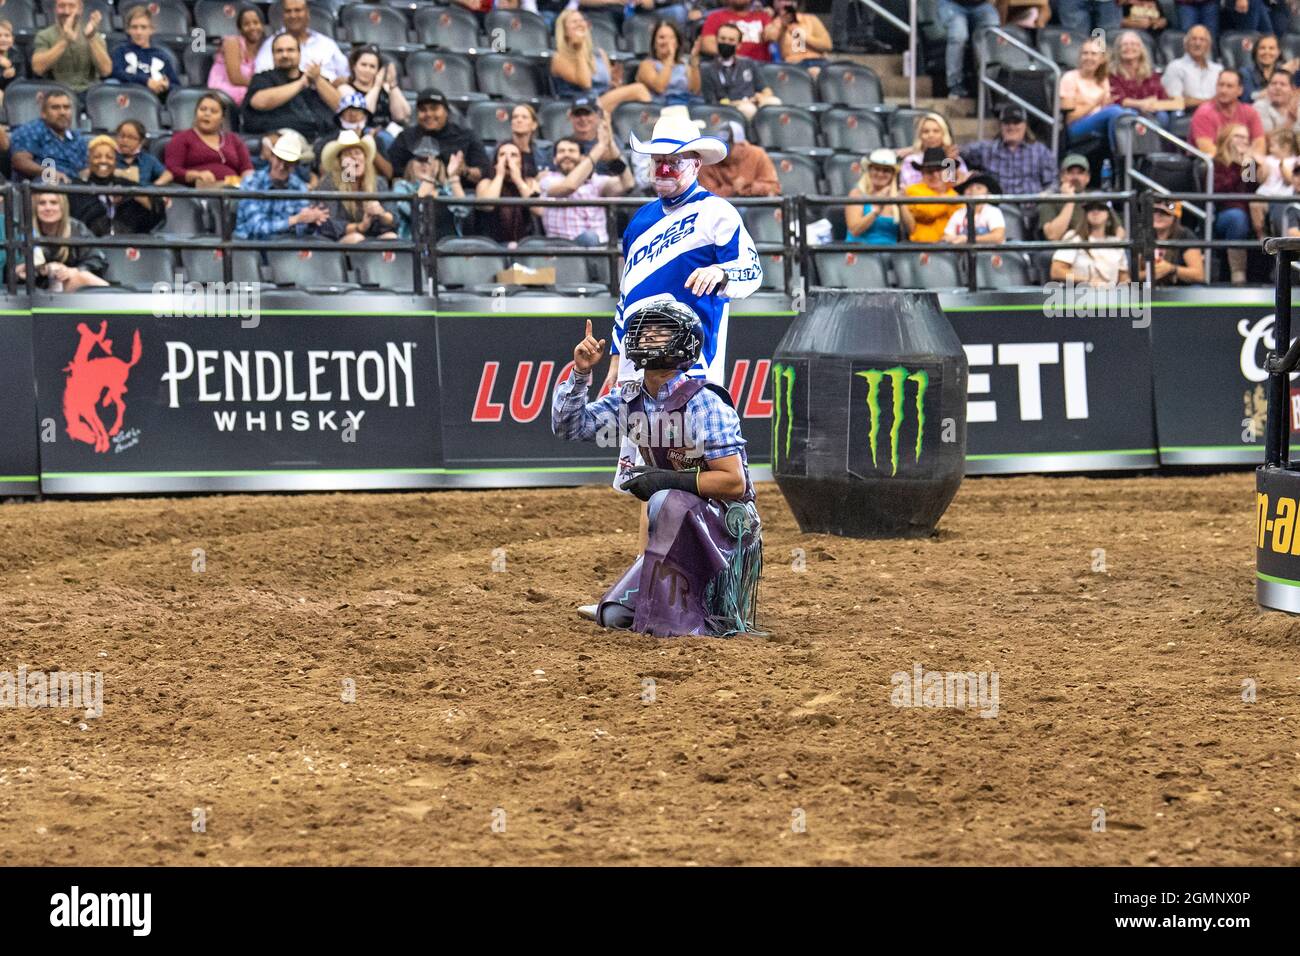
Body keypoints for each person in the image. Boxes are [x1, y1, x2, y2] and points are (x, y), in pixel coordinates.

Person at [600, 111, 761, 559]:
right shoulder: (639, 221)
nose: (665, 168)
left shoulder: (717, 212)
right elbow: (627, 293)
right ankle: (647, 568)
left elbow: (751, 270)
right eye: (658, 160)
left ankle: (705, 562)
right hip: (638, 361)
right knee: (646, 468)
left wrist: (721, 273)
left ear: (695, 163)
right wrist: (616, 356)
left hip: (693, 362)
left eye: (674, 160)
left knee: (700, 463)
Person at [555, 303, 764, 636]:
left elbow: (734, 483)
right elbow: (570, 427)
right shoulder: (630, 399)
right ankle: (666, 605)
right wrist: (580, 374)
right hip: (675, 523)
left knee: (664, 500)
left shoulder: (706, 401)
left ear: (685, 342)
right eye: (644, 330)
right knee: (613, 616)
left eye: (660, 330)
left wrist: (665, 480)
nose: (648, 335)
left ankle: (704, 615)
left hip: (725, 531)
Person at [537, 132, 635, 243]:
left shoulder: (596, 181)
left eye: (571, 151)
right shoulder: (547, 180)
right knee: (589, 237)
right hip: (563, 247)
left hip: (600, 247)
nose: (566, 155)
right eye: (561, 151)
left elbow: (627, 184)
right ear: (554, 159)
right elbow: (569, 187)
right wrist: (598, 149)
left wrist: (612, 150)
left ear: (582, 158)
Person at [241, 33, 341, 141]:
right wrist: (301, 83)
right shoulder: (263, 78)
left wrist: (317, 80)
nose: (285, 55)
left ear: (299, 54)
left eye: (290, 50)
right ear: (273, 55)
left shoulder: (315, 79)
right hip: (285, 139)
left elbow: (340, 106)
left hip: (325, 138)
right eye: (279, 51)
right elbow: (260, 102)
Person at [551, 9, 650, 113]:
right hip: (579, 106)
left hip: (601, 102)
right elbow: (586, 84)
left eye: (581, 20)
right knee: (639, 90)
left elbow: (607, 86)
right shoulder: (559, 58)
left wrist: (616, 83)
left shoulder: (600, 53)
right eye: (574, 22)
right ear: (565, 31)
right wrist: (579, 48)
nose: (579, 24)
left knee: (633, 103)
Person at [234, 131, 329, 239]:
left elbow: (302, 229)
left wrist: (311, 219)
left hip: (286, 244)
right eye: (279, 160)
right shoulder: (251, 182)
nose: (282, 167)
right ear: (272, 157)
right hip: (250, 243)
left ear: (295, 165)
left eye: (288, 163)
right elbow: (257, 227)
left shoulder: (299, 187)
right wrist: (295, 219)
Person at [386, 88, 487, 188]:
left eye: (434, 109)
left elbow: (483, 174)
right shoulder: (406, 137)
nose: (428, 114)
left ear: (446, 112)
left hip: (457, 192)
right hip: (413, 192)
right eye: (423, 110)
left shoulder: (466, 136)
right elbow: (390, 172)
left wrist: (464, 170)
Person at [70, 134, 163, 235]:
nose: (103, 161)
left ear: (115, 161)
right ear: (89, 160)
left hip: (126, 240)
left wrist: (137, 197)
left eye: (109, 157)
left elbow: (155, 214)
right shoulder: (77, 188)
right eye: (97, 157)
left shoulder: (127, 185)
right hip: (91, 241)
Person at [315, 130, 397, 244]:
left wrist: (381, 213)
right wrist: (360, 227)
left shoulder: (379, 182)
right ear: (340, 162)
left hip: (373, 238)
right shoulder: (329, 184)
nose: (354, 157)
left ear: (365, 158)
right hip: (339, 241)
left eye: (358, 153)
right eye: (348, 154)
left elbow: (393, 219)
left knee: (391, 237)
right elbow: (328, 224)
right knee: (356, 238)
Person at [16, 191, 108, 290]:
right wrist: (20, 271)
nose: (48, 208)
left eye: (54, 203)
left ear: (63, 206)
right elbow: (11, 268)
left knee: (81, 276)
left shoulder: (76, 228)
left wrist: (73, 271)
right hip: (34, 290)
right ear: (35, 207)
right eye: (42, 203)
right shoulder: (25, 230)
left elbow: (97, 260)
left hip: (71, 289)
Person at [959, 104, 1056, 196]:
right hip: (997, 205)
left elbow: (1053, 183)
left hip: (1033, 204)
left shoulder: (1040, 151)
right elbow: (953, 156)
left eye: (1016, 122)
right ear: (1001, 126)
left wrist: (1045, 196)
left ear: (1025, 125)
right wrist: (953, 177)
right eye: (1007, 122)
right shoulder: (985, 149)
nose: (1011, 127)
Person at [1059, 35, 1135, 150]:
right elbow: (1069, 118)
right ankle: (1119, 156)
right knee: (1114, 111)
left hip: (1100, 122)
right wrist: (1095, 103)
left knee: (1131, 113)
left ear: (1102, 59)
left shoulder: (1103, 79)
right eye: (1085, 53)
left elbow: (1103, 109)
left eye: (1093, 54)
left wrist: (1105, 104)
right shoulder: (1070, 77)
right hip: (1075, 127)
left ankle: (1132, 156)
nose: (1089, 57)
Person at [164, 93, 252, 188]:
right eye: (202, 109)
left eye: (213, 111)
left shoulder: (234, 139)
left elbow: (247, 169)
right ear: (196, 113)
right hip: (199, 191)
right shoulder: (181, 138)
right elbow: (172, 170)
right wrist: (196, 175)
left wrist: (248, 184)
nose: (207, 114)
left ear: (222, 118)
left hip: (235, 189)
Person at [698, 22, 781, 120]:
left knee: (774, 102)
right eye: (723, 39)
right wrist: (738, 103)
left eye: (731, 40)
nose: (726, 43)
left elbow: (766, 90)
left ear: (738, 45)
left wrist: (760, 97)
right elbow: (711, 102)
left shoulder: (748, 63)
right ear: (716, 40)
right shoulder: (707, 68)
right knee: (748, 109)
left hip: (752, 102)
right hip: (727, 109)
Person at [1210, 122, 1260, 284]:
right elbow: (1220, 190)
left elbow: (1251, 189)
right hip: (1224, 213)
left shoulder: (1248, 163)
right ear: (1226, 138)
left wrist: (1249, 165)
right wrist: (1237, 166)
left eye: (1246, 138)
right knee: (1237, 218)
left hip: (1249, 211)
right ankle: (1238, 272)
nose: (1243, 141)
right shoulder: (1215, 163)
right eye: (1238, 136)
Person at [336, 44, 410, 151]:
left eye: (372, 66)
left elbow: (402, 116)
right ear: (354, 66)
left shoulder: (385, 88)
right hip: (362, 133)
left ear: (378, 70)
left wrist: (393, 84)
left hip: (389, 130)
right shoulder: (346, 89)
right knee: (384, 139)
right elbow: (364, 113)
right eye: (363, 65)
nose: (367, 70)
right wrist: (376, 86)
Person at [253, 0, 348, 82]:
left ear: (307, 14)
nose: (293, 15)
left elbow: (346, 75)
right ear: (283, 15)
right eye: (288, 11)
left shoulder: (326, 44)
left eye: (297, 10)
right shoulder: (271, 44)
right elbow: (261, 79)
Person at [393, 138, 468, 240]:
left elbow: (463, 211)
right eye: (420, 159)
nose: (425, 164)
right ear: (411, 164)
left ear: (439, 164)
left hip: (450, 244)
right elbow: (411, 212)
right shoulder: (402, 186)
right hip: (416, 244)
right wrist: (428, 180)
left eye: (430, 159)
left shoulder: (446, 189)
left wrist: (453, 177)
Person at [31, 0, 110, 94]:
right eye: (61, 6)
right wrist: (64, 41)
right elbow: (38, 69)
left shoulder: (94, 35)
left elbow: (106, 71)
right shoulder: (44, 35)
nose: (66, 11)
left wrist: (91, 39)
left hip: (91, 92)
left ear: (80, 9)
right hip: (57, 92)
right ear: (55, 9)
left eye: (72, 6)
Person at [1109, 30, 1183, 128]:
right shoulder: (1112, 74)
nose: (1129, 47)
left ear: (1141, 49)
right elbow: (1118, 99)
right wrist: (1141, 104)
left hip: (1151, 111)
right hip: (1127, 111)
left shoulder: (1150, 73)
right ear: (1118, 50)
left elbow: (1161, 96)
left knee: (1163, 115)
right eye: (1124, 45)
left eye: (1133, 44)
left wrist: (1154, 104)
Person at [9, 89, 86, 181]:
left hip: (75, 185)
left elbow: (84, 168)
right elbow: (20, 161)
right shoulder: (29, 131)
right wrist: (48, 172)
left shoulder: (77, 138)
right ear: (43, 113)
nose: (62, 112)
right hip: (43, 184)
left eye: (66, 107)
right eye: (55, 108)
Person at [1050, 200, 1130, 286]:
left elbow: (1123, 276)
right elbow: (1056, 271)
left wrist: (1127, 283)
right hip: (1080, 291)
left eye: (1101, 208)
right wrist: (1087, 281)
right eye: (1090, 208)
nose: (1095, 211)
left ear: (1108, 213)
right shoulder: (1074, 238)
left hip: (1110, 292)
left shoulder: (1116, 242)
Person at [476, 141, 540, 244]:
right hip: (491, 244)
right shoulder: (485, 183)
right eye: (502, 155)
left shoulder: (530, 182)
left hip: (524, 244)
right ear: (496, 162)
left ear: (521, 163)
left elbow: (538, 209)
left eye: (513, 155)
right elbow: (487, 205)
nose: (507, 159)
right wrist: (499, 176)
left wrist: (518, 180)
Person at [110, 6, 180, 98]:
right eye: (134, 27)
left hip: (155, 101)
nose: (139, 32)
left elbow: (176, 87)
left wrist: (166, 86)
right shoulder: (120, 51)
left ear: (151, 30)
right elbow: (116, 73)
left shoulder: (162, 56)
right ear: (128, 30)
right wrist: (146, 81)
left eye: (143, 27)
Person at [936, 0, 1000, 99]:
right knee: (959, 34)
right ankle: (955, 84)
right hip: (951, 4)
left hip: (981, 4)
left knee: (993, 24)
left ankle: (990, 80)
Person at [1191, 69, 1265, 155]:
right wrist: (1239, 160)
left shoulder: (1250, 112)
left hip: (1244, 160)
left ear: (1240, 90)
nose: (1223, 90)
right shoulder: (1204, 113)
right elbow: (1209, 151)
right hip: (1213, 161)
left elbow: (1259, 145)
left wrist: (1249, 160)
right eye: (1220, 85)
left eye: (1229, 86)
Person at [695, 123, 779, 198]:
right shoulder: (710, 159)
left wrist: (748, 186)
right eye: (721, 147)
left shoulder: (758, 155)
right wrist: (733, 189)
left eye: (728, 148)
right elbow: (706, 195)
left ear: (741, 145)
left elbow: (774, 188)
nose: (723, 152)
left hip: (756, 208)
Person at [207, 4, 265, 107]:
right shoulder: (232, 42)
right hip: (225, 90)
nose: (252, 27)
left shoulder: (264, 48)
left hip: (248, 90)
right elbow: (235, 78)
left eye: (256, 23)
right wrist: (264, 84)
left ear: (263, 26)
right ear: (240, 29)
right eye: (246, 24)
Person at [636, 19, 701, 107]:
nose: (666, 41)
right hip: (661, 108)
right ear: (654, 43)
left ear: (677, 43)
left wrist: (694, 60)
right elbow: (660, 87)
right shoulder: (647, 65)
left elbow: (695, 90)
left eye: (671, 38)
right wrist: (670, 57)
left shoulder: (684, 66)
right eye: (662, 37)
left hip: (685, 106)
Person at [901, 146, 960, 243]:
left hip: (950, 246)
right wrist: (947, 200)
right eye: (930, 171)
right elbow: (927, 211)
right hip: (921, 246)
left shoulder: (953, 194)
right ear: (922, 173)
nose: (935, 175)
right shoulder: (913, 190)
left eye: (939, 170)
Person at [845, 147, 901, 245]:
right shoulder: (857, 194)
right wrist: (876, 211)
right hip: (861, 250)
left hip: (890, 251)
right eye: (876, 169)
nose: (880, 174)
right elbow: (854, 231)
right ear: (869, 170)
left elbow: (911, 230)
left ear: (893, 174)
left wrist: (902, 204)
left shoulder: (897, 198)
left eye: (886, 170)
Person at [765, 0, 832, 78]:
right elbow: (769, 37)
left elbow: (827, 45)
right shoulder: (775, 23)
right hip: (794, 65)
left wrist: (802, 36)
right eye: (780, 1)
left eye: (788, 1)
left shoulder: (811, 19)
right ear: (774, 4)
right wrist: (781, 24)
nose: (785, 4)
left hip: (818, 61)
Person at [1162, 25, 1221, 112]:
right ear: (1186, 44)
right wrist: (1210, 101)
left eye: (1202, 40)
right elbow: (1175, 102)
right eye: (1193, 39)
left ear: (1208, 46)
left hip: (1217, 113)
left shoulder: (1218, 69)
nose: (1198, 43)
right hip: (1188, 113)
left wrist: (1192, 100)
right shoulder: (1175, 67)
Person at [897, 113, 966, 188]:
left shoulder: (956, 159)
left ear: (944, 134)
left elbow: (962, 185)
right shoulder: (911, 161)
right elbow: (913, 188)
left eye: (936, 131)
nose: (931, 135)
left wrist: (950, 163)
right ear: (920, 136)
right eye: (926, 131)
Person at [1146, 198, 1204, 284]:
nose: (1157, 216)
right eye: (1154, 211)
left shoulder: (1185, 236)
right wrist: (1153, 272)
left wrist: (1171, 269)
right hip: (1147, 287)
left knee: (1197, 289)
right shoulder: (1142, 235)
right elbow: (1132, 276)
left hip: (1180, 288)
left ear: (1175, 217)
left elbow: (1199, 275)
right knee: (1133, 288)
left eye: (1164, 213)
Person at [1038, 153, 1093, 241]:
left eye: (1080, 173)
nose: (1075, 177)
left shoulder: (1095, 199)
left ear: (1088, 178)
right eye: (1070, 173)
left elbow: (1116, 230)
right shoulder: (1050, 201)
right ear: (1062, 177)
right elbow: (1052, 236)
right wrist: (1070, 200)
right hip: (1064, 247)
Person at [942, 171, 1006, 246]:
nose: (973, 191)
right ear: (964, 193)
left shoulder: (993, 212)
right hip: (962, 252)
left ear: (987, 194)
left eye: (979, 188)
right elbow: (946, 237)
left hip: (988, 252)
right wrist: (955, 239)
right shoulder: (958, 214)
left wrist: (968, 239)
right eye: (969, 188)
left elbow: (998, 237)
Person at [699, 0, 774, 62]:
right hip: (728, 66)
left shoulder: (763, 16)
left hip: (759, 67)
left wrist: (777, 22)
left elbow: (773, 34)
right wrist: (732, 57)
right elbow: (707, 45)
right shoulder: (715, 17)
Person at [1243, 34, 1300, 103]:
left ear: (1278, 52)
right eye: (1262, 48)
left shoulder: (1287, 70)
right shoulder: (1246, 73)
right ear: (1256, 51)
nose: (1267, 52)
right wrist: (1284, 71)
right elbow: (1248, 99)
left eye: (1271, 48)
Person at [114, 119, 170, 186]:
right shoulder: (110, 157)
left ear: (141, 141)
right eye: (121, 136)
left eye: (130, 137)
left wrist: (155, 187)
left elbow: (167, 175)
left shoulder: (148, 159)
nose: (125, 140)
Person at [0, 19, 29, 99]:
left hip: (11, 93)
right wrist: (3, 76)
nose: (3, 39)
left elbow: (21, 78)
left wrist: (11, 76)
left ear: (12, 39)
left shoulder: (17, 54)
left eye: (7, 35)